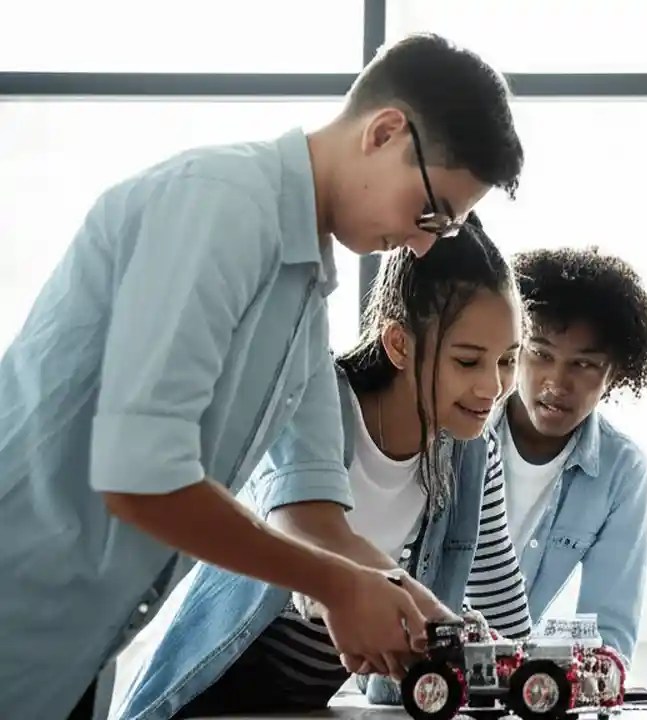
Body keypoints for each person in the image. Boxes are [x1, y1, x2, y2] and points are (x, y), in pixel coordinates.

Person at [0, 32, 522, 720]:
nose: (424, 243)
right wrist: (339, 588)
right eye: (430, 212)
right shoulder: (223, 206)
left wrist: (415, 608)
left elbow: (310, 509)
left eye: (446, 229)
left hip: (73, 653)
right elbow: (140, 477)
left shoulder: (304, 287)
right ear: (385, 132)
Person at [115, 220, 529, 718]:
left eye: (508, 361)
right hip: (202, 695)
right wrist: (441, 620)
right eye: (468, 362)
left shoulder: (467, 455)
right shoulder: (316, 401)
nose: (492, 387)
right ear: (399, 344)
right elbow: (310, 531)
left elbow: (500, 594)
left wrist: (526, 670)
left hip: (302, 707)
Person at [492, 246, 647, 662]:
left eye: (584, 365)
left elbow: (609, 634)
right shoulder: (460, 435)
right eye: (540, 355)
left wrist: (588, 678)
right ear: (515, 348)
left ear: (616, 373)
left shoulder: (622, 472)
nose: (557, 381)